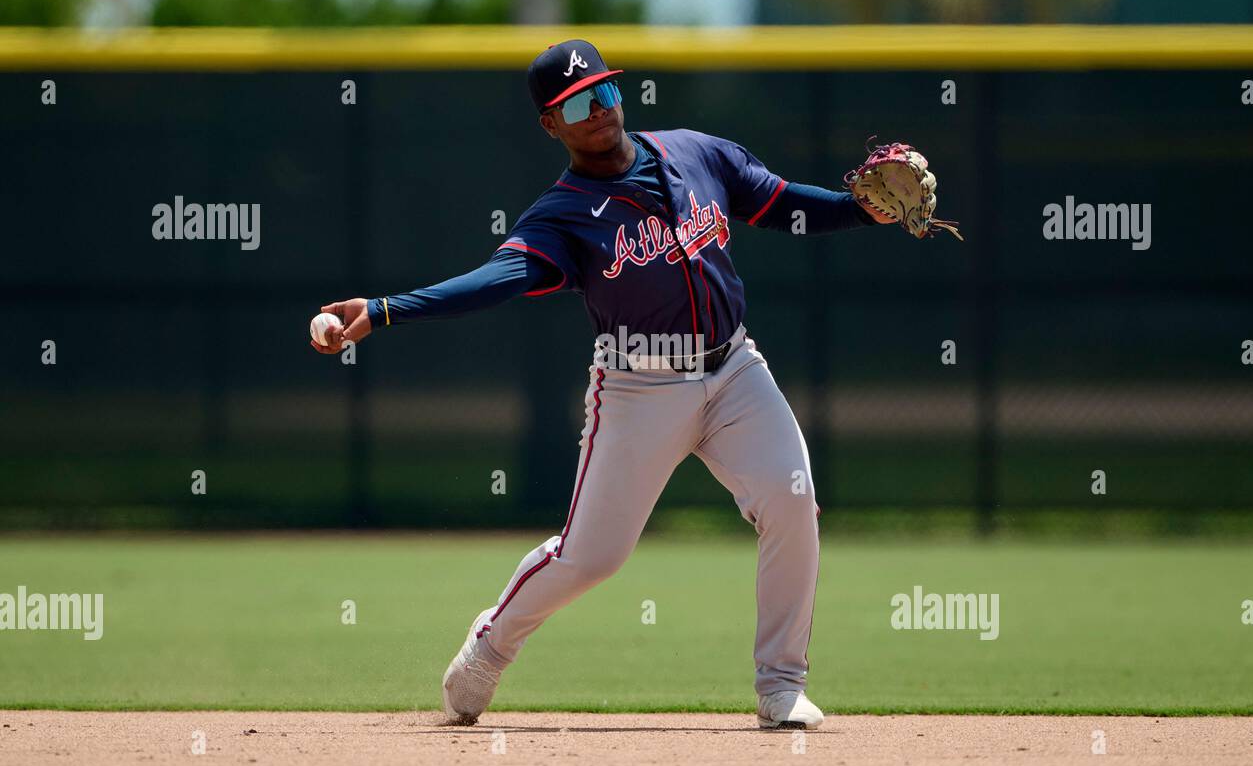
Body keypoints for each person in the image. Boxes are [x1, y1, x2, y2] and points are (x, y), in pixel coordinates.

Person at [312, 39, 897, 730]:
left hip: (734, 367)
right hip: (638, 386)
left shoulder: (696, 152)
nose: (599, 111)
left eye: (606, 92)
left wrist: (862, 208)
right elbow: (496, 280)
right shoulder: (562, 213)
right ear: (551, 125)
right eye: (578, 104)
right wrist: (385, 310)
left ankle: (781, 687)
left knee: (793, 499)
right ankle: (489, 645)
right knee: (591, 557)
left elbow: (779, 203)